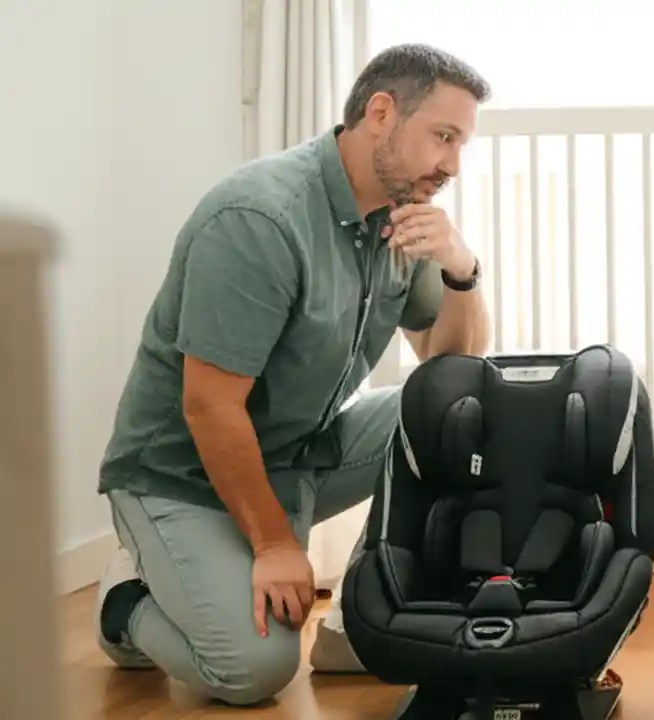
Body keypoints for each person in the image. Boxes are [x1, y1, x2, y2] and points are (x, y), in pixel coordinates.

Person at [93, 43, 491, 705]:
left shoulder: (400, 215)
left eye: (460, 145)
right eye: (443, 137)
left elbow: (452, 367)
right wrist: (276, 545)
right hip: (178, 475)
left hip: (296, 453)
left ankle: (358, 620)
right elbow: (208, 407)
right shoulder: (260, 217)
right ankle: (126, 602)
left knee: (457, 407)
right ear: (381, 113)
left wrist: (460, 267)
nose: (451, 164)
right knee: (254, 671)